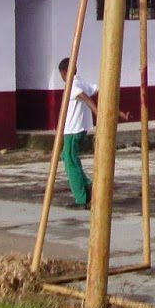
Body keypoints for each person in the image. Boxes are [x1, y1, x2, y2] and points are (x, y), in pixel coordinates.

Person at [57, 58, 98, 206]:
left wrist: (97, 113)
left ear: (64, 73)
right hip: (79, 129)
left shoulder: (73, 85)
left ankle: (81, 197)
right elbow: (97, 89)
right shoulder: (81, 83)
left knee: (70, 161)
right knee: (67, 156)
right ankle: (86, 184)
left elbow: (86, 98)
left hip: (72, 129)